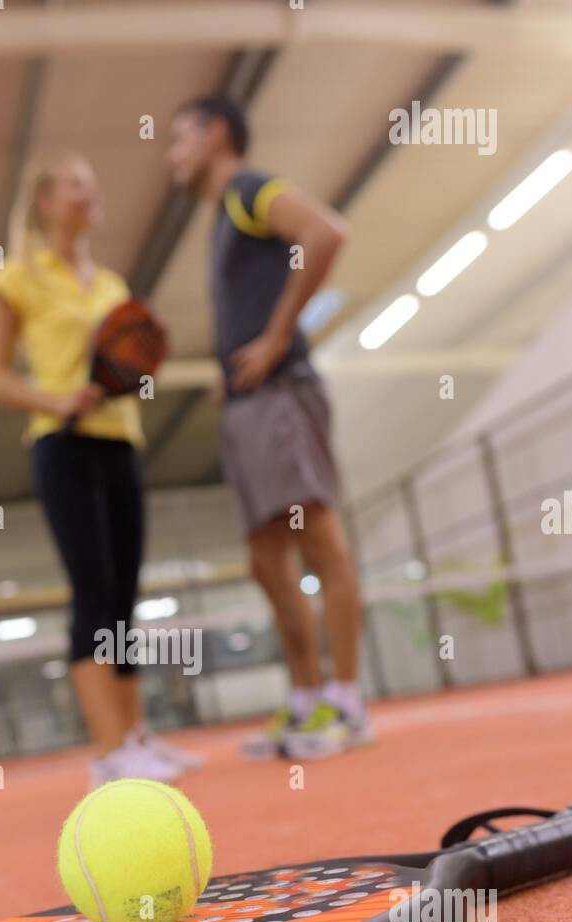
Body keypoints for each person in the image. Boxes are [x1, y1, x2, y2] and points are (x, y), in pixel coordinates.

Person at [0, 153, 199, 787]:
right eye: (76, 183)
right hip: (62, 443)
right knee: (93, 594)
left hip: (119, 443)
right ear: (45, 200)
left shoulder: (110, 284)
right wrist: (56, 400)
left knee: (127, 596)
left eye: (91, 182)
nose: (89, 193)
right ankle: (109, 752)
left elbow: (126, 361)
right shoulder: (16, 277)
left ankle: (136, 737)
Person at [167, 95, 372, 759]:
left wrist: (277, 336)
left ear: (216, 133)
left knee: (319, 539)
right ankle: (307, 701)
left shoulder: (247, 190)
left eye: (179, 139)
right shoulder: (221, 218)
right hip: (250, 404)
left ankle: (346, 703)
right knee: (265, 559)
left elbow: (327, 232)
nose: (172, 154)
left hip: (283, 393)